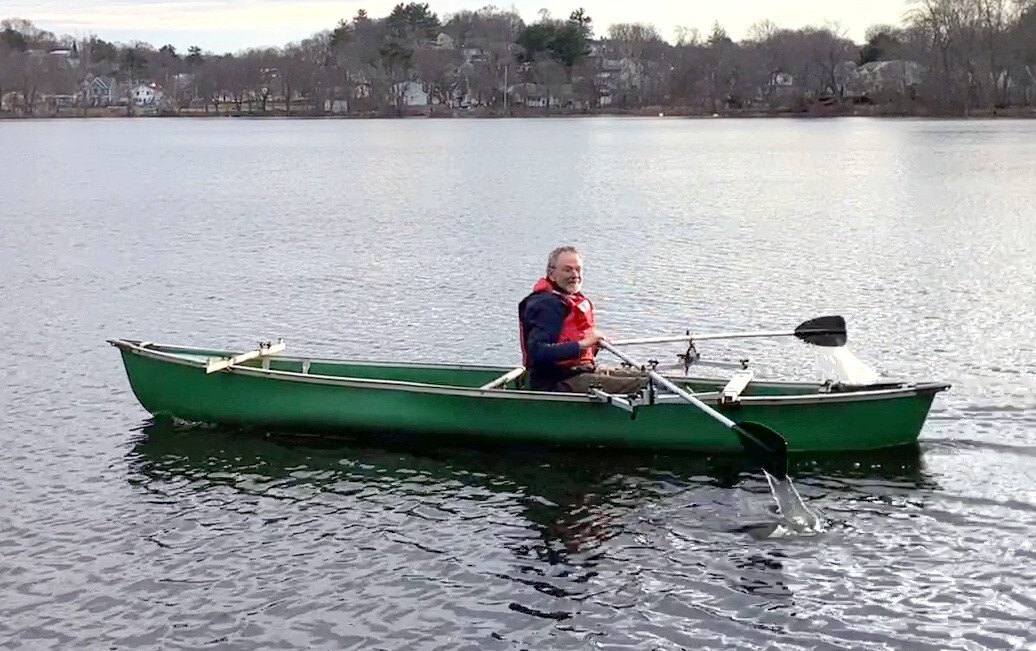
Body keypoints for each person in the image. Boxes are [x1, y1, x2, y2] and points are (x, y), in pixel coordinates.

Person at [518, 246, 649, 394]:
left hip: (580, 372)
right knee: (644, 385)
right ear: (551, 273)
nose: (575, 275)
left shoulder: (569, 299)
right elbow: (538, 352)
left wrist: (594, 345)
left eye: (578, 270)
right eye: (568, 270)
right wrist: (583, 344)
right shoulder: (547, 305)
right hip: (556, 382)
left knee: (650, 377)